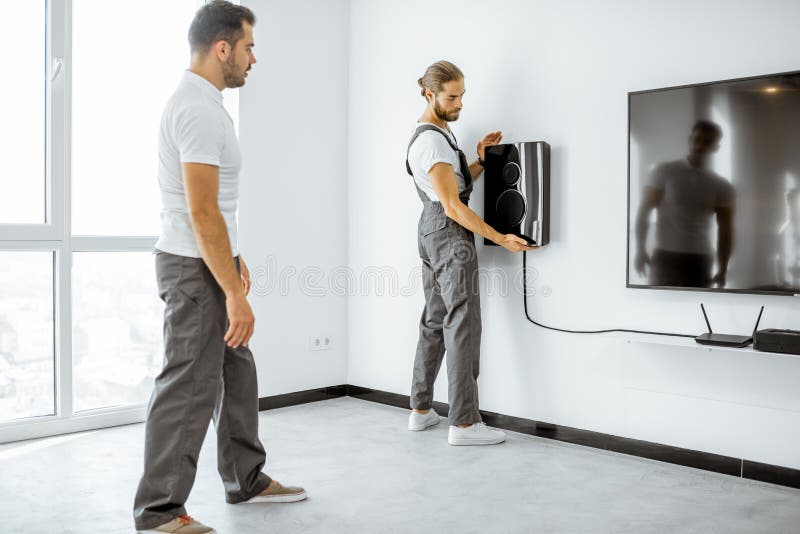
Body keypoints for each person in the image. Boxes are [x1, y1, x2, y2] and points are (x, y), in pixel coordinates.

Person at [134, 3, 305, 532]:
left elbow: (215, 207)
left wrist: (233, 258)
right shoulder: (198, 109)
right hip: (192, 267)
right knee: (190, 383)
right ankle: (161, 512)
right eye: (249, 46)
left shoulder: (207, 105)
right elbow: (200, 210)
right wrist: (233, 291)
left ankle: (245, 478)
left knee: (237, 370)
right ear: (222, 47)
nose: (255, 58)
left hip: (207, 258)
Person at [405, 60, 536, 446]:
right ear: (431, 94)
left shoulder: (439, 135)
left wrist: (478, 158)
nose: (460, 103)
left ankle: (421, 410)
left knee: (435, 318)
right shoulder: (430, 140)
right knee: (463, 321)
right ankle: (464, 424)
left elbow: (453, 186)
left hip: (430, 229)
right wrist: (499, 235)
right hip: (447, 230)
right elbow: (454, 206)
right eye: (452, 96)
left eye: (463, 95)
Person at [634, 120, 735, 288]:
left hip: (700, 260)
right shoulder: (664, 171)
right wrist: (640, 250)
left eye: (708, 142)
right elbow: (644, 211)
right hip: (665, 257)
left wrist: (723, 268)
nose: (700, 145)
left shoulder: (721, 185)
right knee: (660, 308)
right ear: (690, 140)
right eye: (698, 139)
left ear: (716, 148)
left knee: (695, 309)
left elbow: (726, 231)